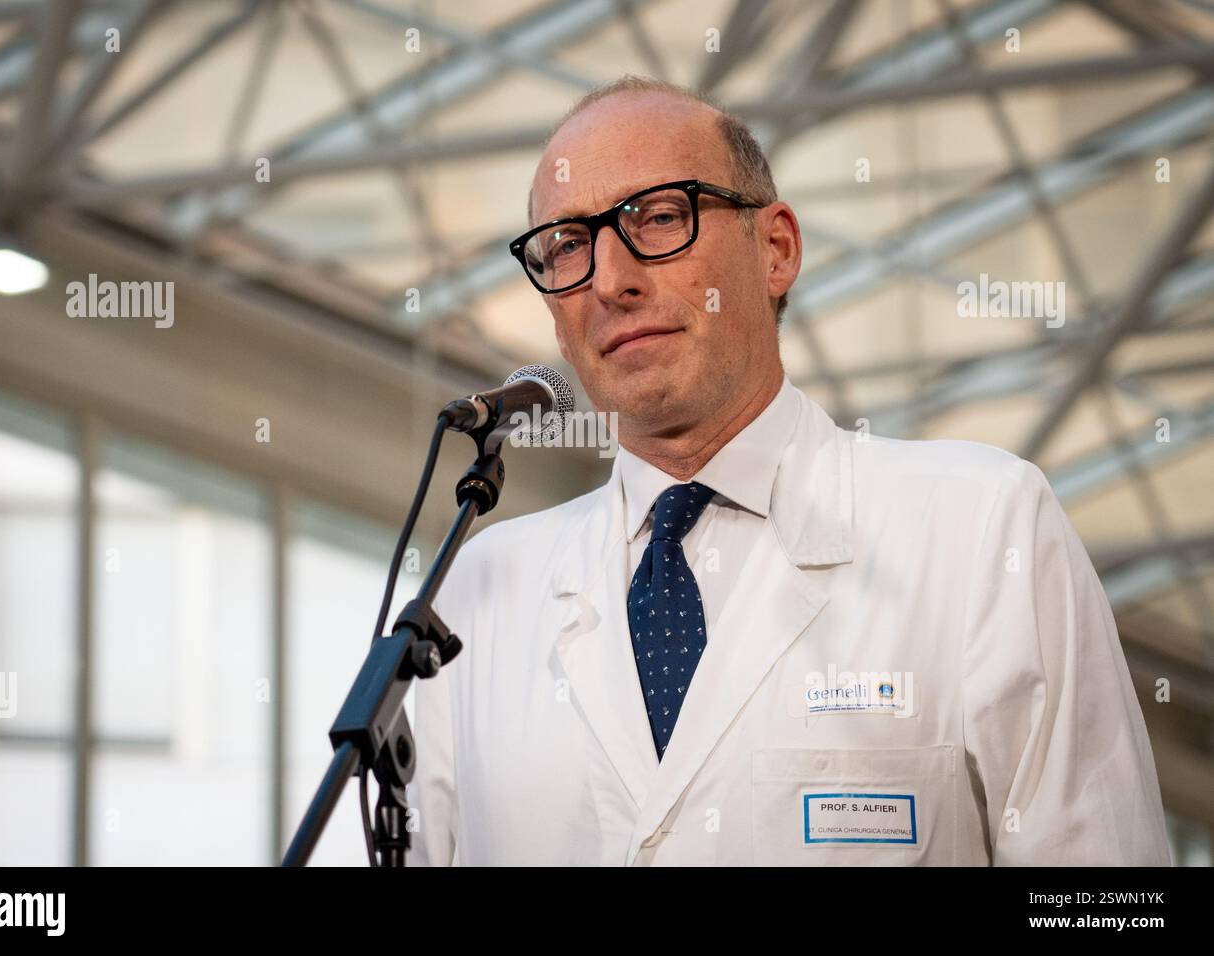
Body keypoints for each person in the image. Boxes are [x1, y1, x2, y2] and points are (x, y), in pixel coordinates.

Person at [405, 76, 1171, 866]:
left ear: (776, 250)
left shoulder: (983, 528)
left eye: (660, 217)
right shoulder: (477, 593)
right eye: (566, 245)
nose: (608, 280)